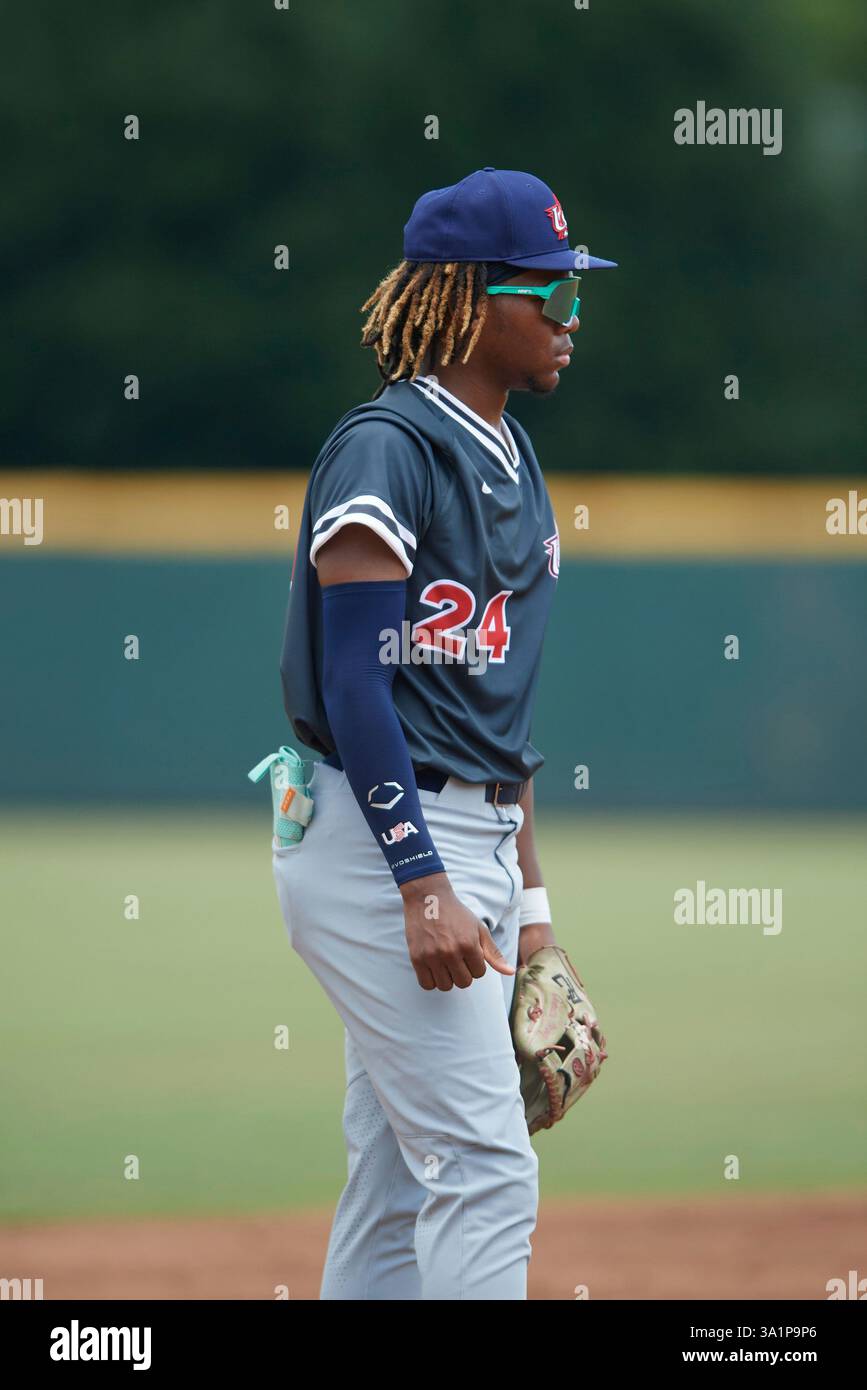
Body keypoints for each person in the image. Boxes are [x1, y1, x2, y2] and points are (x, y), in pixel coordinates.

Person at [273, 167, 616, 1300]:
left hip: (464, 845)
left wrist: (535, 914)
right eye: (552, 295)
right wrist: (421, 881)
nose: (573, 318)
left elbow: (497, 729)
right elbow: (355, 681)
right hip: (381, 845)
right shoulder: (388, 449)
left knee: (402, 1176)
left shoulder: (516, 466)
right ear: (475, 299)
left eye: (577, 294)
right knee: (483, 1163)